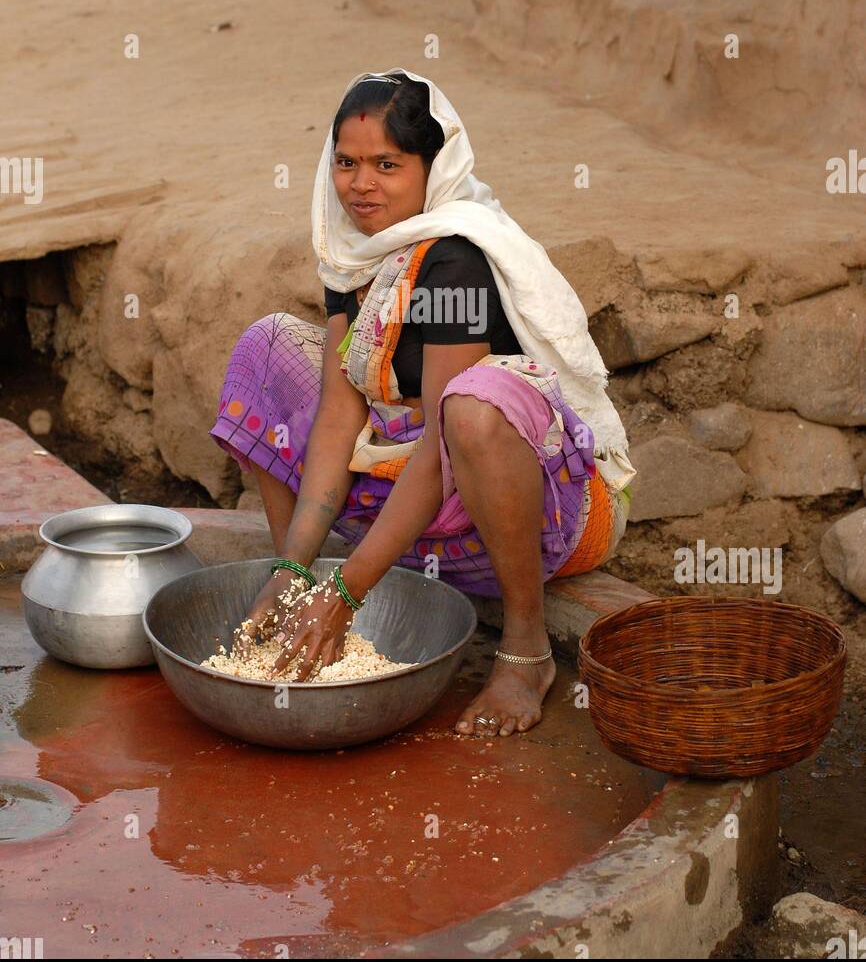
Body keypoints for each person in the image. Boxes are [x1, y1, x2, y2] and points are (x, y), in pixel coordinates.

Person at [208, 68, 636, 738]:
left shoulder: (452, 261)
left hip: (526, 509)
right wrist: (291, 570)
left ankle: (526, 651)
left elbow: (442, 446)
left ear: (432, 169)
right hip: (407, 492)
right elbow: (337, 418)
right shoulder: (353, 257)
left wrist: (348, 592)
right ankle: (309, 585)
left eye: (387, 164)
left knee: (469, 405)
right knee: (266, 347)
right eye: (346, 163)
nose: (361, 183)